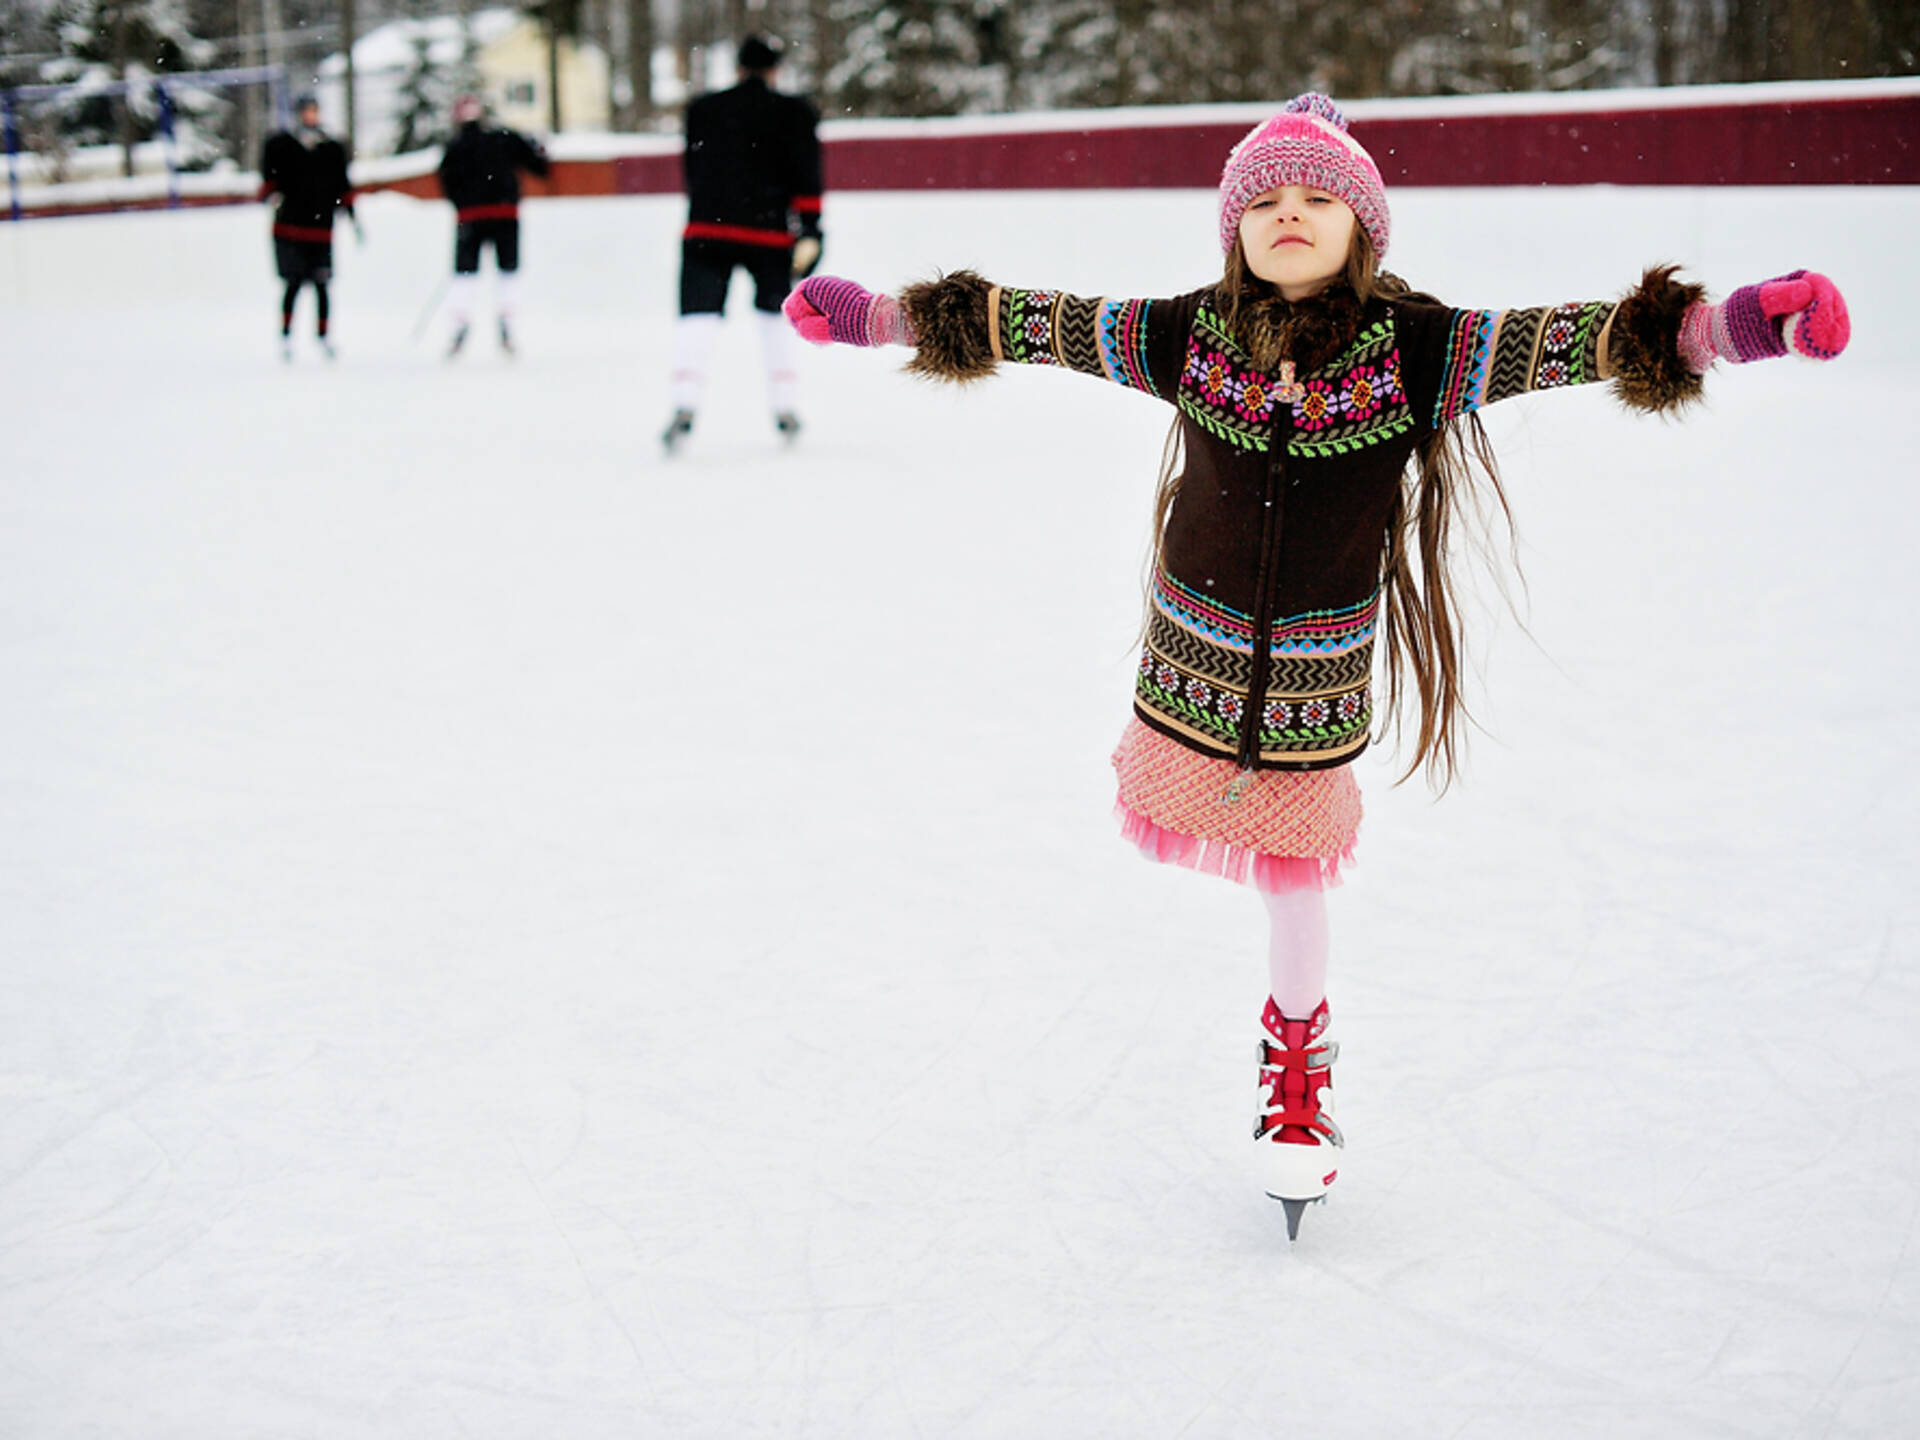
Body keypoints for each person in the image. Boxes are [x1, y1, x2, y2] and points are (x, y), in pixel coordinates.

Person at [782, 94, 1851, 1240]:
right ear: (1233, 226)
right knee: (1255, 854)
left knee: (1295, 874)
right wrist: (883, 318)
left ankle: (1297, 1078)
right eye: (1267, 200)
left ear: (1364, 229)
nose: (1290, 215)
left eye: (1318, 199)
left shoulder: (1417, 353)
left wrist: (1735, 327)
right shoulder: (1188, 335)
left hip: (1311, 688)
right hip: (1189, 664)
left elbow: (1573, 340)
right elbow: (1038, 322)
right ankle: (1291, 1065)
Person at [662, 33, 824, 454]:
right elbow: (807, 172)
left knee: (697, 317)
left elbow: (692, 168)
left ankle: (684, 403)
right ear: (775, 70)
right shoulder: (794, 112)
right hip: (768, 233)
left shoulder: (703, 109)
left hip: (706, 230)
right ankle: (785, 407)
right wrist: (810, 226)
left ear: (737, 68)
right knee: (776, 317)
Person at [436, 94, 551, 357]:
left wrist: (462, 204)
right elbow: (540, 167)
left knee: (465, 273)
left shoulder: (456, 145)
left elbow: (445, 180)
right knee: (507, 271)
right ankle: (506, 323)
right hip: (504, 214)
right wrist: (541, 148)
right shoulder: (504, 137)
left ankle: (460, 324)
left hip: (471, 217)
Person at [259, 94, 358, 362]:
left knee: (322, 284)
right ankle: (286, 336)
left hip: (321, 227)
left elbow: (343, 185)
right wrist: (271, 194)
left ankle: (323, 336)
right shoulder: (282, 145)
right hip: (290, 228)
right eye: (307, 111)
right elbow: (268, 181)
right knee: (292, 284)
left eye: (314, 110)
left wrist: (352, 216)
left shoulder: (331, 148)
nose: (310, 116)